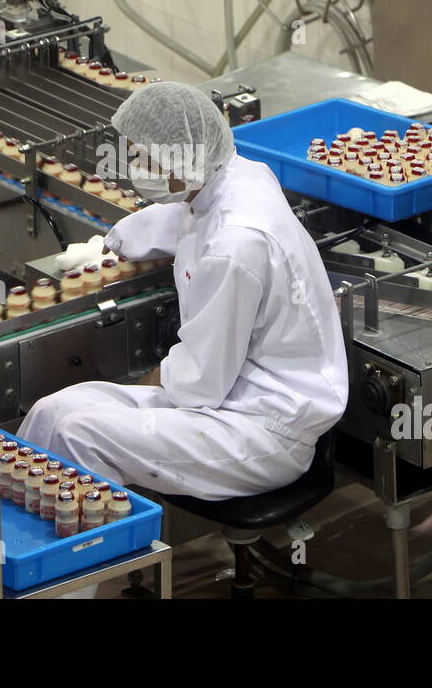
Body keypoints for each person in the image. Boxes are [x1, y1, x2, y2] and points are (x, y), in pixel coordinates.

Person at [18, 82, 348, 504]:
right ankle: (11, 532)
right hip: (227, 393)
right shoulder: (230, 175)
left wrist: (145, 385)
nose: (137, 168)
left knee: (79, 434)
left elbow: (199, 381)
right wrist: (106, 245)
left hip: (264, 429)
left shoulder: (236, 244)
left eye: (147, 160)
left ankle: (77, 562)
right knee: (51, 412)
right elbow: (181, 216)